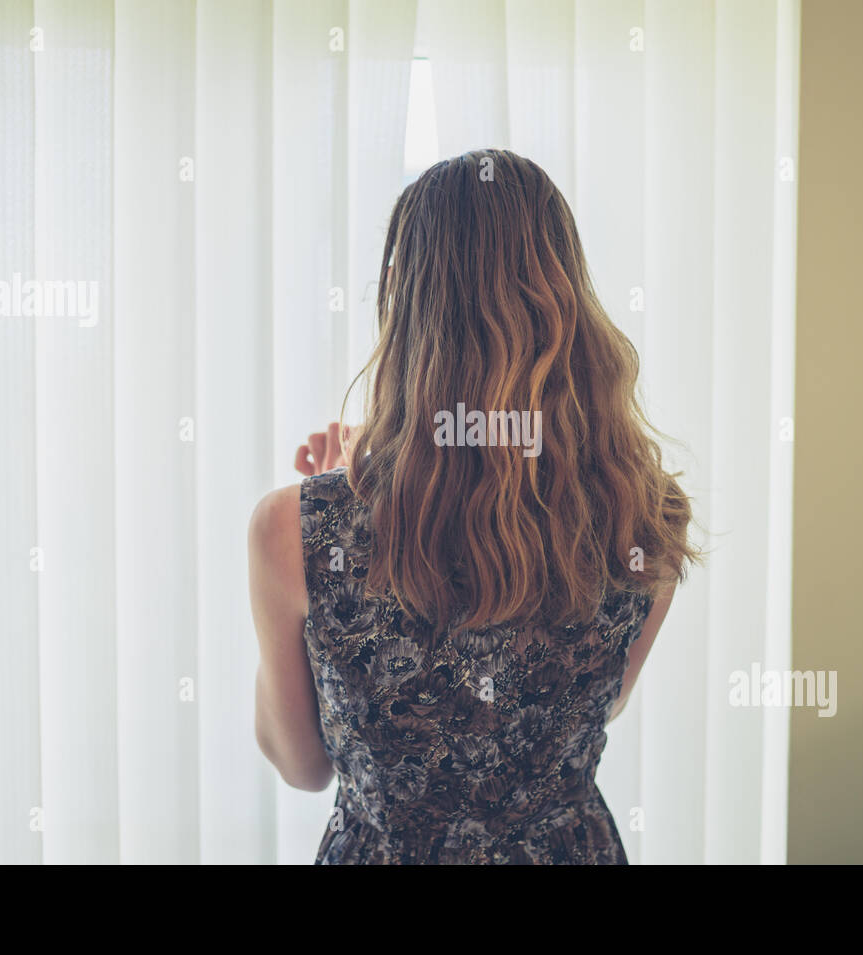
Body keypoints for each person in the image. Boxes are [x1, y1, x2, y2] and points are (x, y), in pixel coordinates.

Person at [248, 149, 697, 864]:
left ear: (405, 305)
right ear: (571, 303)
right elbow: (596, 708)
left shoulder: (294, 531)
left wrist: (344, 491)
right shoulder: (648, 519)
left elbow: (302, 765)